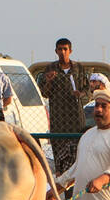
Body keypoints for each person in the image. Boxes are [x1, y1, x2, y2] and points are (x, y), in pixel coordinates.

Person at [38, 38, 91, 175]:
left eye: (65, 49)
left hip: (76, 116)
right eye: (60, 49)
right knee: (59, 148)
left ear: (70, 51)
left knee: (78, 147)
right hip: (58, 116)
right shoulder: (50, 69)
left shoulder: (78, 68)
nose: (62, 52)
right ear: (56, 51)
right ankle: (61, 177)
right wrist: (49, 81)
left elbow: (88, 91)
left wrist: (80, 94)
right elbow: (44, 93)